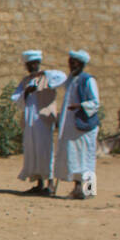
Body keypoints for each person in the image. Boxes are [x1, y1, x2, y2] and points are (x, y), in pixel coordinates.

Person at [10, 51, 66, 195]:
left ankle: (51, 184)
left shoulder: (47, 77)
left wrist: (45, 74)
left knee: (45, 151)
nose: (32, 67)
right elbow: (15, 98)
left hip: (43, 120)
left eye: (35, 64)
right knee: (32, 151)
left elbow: (61, 77)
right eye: (30, 65)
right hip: (29, 122)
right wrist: (26, 92)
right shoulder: (25, 81)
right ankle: (39, 183)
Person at [51, 50, 100, 199]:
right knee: (75, 157)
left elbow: (95, 103)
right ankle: (80, 189)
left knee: (86, 158)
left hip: (84, 127)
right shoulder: (71, 79)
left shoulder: (88, 80)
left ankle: (86, 189)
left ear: (81, 64)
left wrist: (79, 106)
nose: (71, 65)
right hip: (72, 127)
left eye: (74, 63)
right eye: (70, 62)